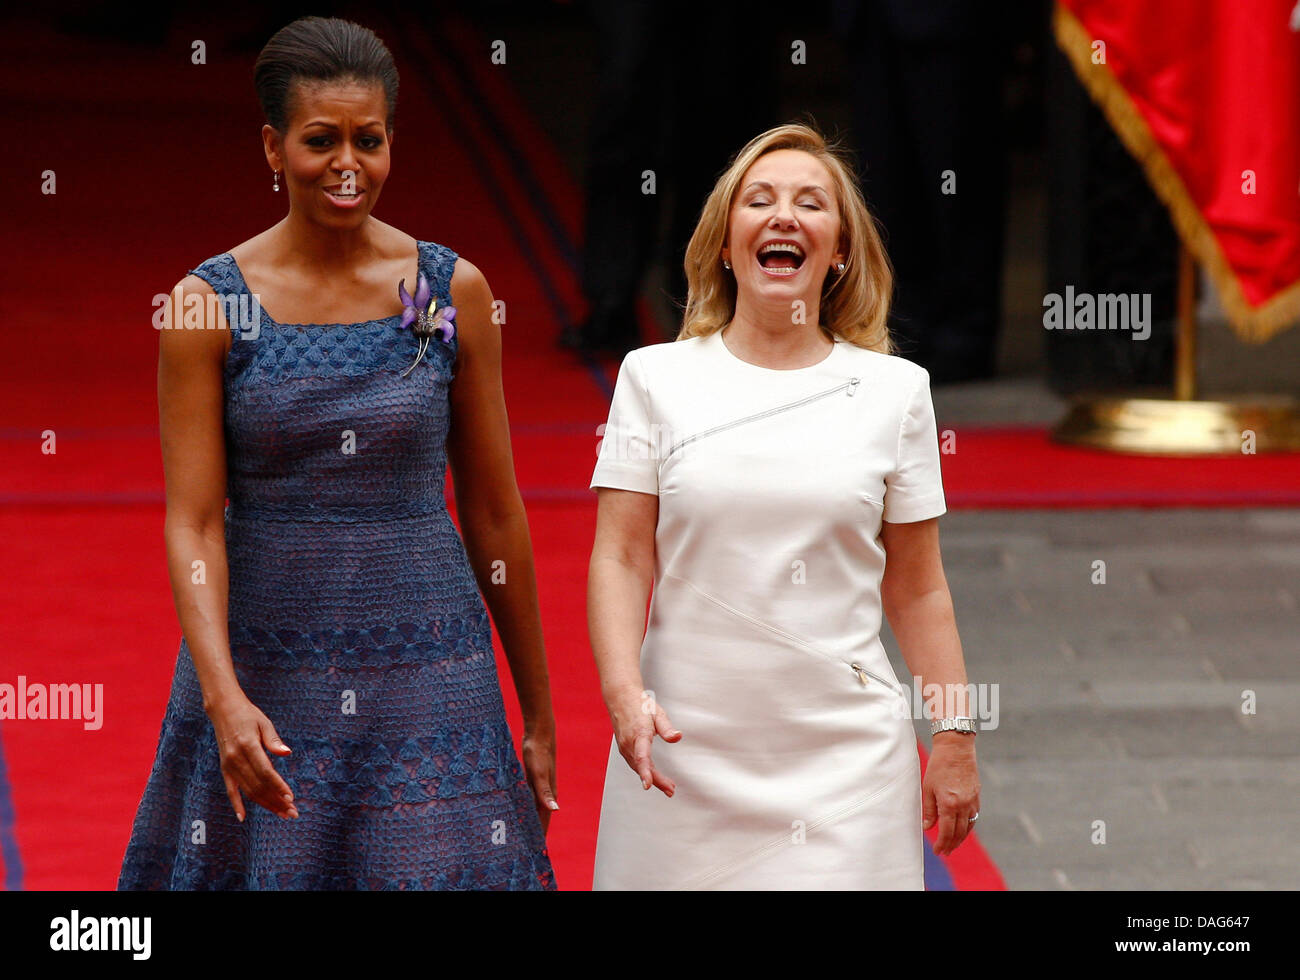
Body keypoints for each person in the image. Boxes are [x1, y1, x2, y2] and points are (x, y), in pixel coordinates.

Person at [118, 16, 557, 890]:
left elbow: (496, 510)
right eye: (322, 141)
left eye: (371, 139)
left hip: (431, 663)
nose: (348, 164)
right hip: (267, 662)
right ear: (274, 149)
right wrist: (221, 693)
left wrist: (538, 707)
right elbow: (196, 522)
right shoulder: (207, 305)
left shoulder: (449, 290)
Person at [587, 122, 981, 889]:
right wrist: (623, 696)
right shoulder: (653, 378)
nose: (783, 217)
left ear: (838, 251)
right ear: (726, 244)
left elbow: (919, 585)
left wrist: (957, 735)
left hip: (846, 765)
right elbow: (622, 554)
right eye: (758, 201)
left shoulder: (896, 392)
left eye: (811, 203)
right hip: (681, 754)